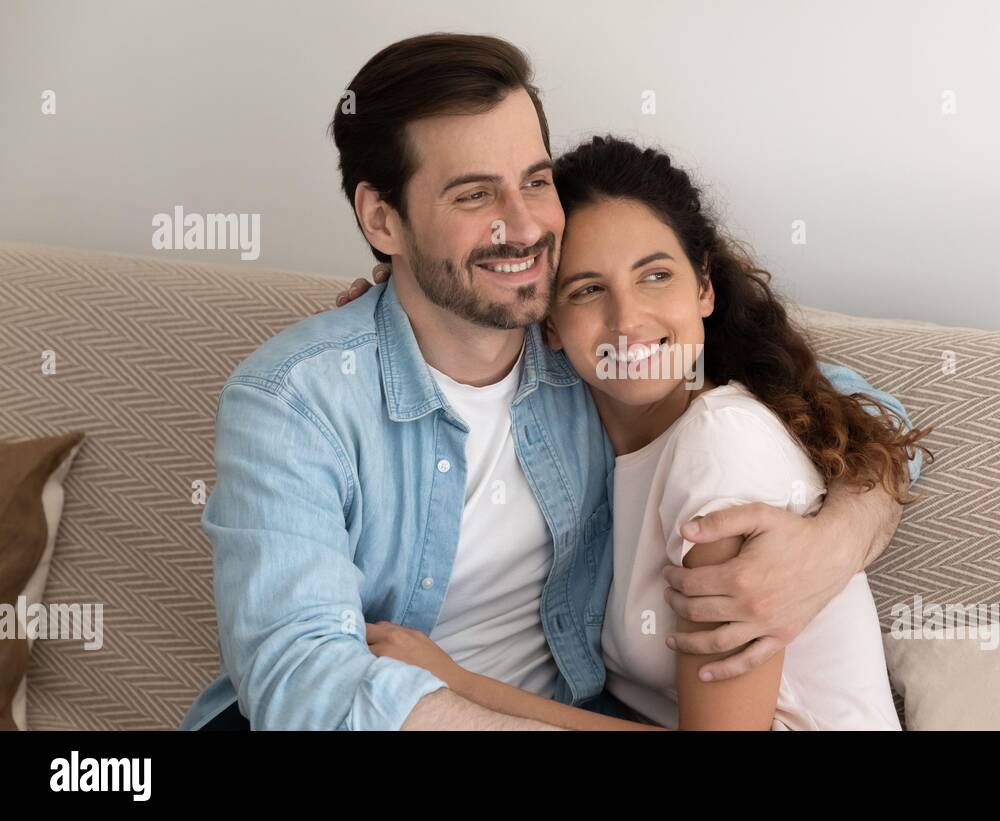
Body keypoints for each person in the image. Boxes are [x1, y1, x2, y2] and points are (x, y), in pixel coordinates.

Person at [180, 33, 925, 731]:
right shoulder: (296, 398)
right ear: (384, 220)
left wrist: (826, 548)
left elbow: (854, 414)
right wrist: (458, 697)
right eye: (474, 195)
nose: (523, 226)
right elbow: (300, 679)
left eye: (534, 181)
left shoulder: (588, 345)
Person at [357, 136, 930, 729]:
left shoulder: (721, 443)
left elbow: (878, 417)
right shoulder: (599, 437)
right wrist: (404, 299)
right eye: (587, 289)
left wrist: (452, 683)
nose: (627, 321)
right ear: (549, 323)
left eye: (655, 275)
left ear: (704, 288)